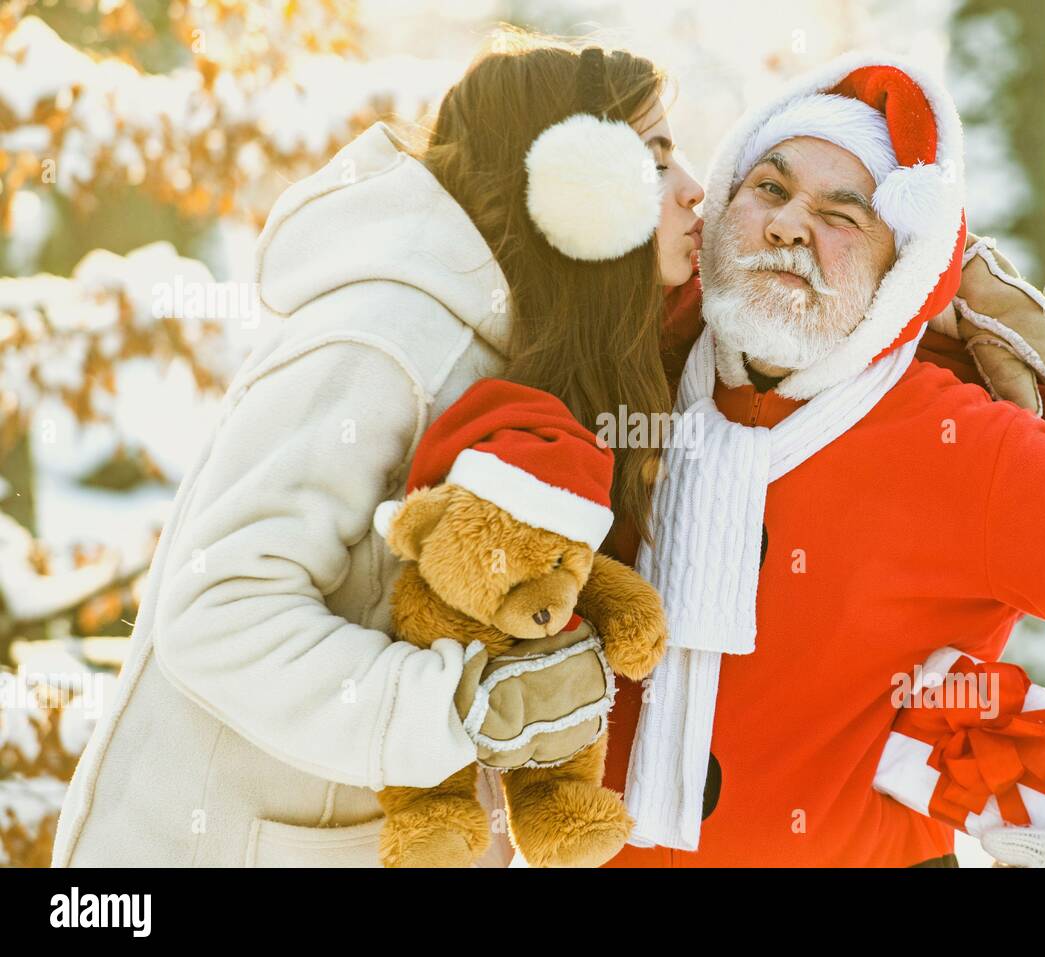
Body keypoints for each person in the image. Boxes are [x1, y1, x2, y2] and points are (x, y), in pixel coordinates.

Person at [50, 31, 706, 868]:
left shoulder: (512, 351)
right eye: (654, 159)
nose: (695, 191)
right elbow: (219, 609)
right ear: (576, 191)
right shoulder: (385, 340)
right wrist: (459, 710)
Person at [598, 51, 1045, 868]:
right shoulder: (631, 368)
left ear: (899, 271)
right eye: (768, 188)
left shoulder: (965, 444)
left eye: (844, 215)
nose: (789, 223)